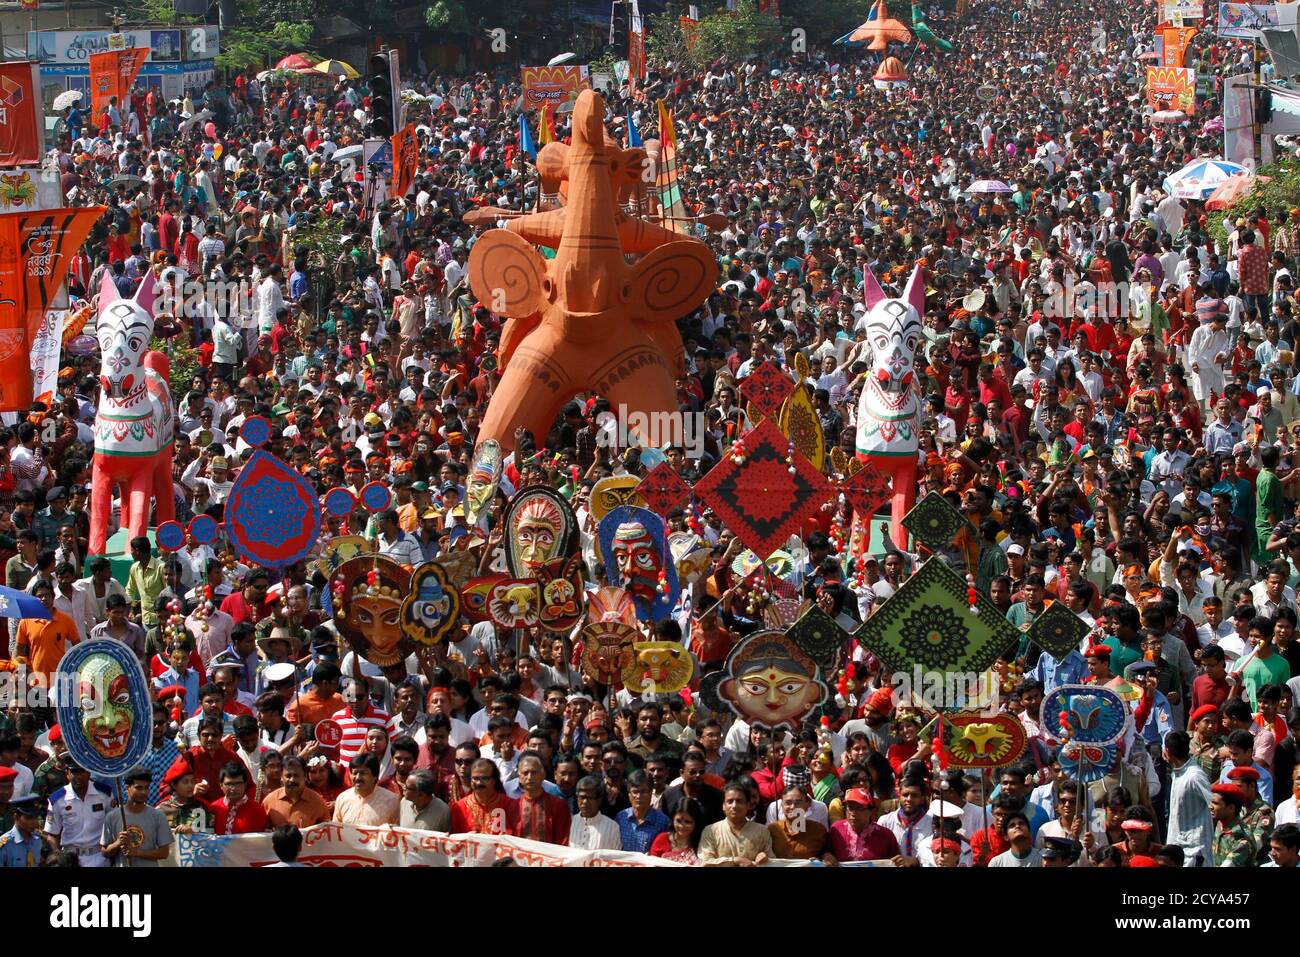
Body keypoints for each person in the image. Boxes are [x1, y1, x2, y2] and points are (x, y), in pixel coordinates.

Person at [101, 767, 172, 866]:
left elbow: (164, 853)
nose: (143, 792)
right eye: (138, 788)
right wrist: (117, 843)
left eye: (146, 787)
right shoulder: (112, 816)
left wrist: (137, 852)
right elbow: (105, 852)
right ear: (127, 788)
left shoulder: (158, 816)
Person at [698, 781, 771, 866]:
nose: (734, 806)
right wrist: (734, 860)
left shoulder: (762, 831)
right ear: (723, 806)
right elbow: (705, 862)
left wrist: (765, 858)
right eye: (730, 801)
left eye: (739, 801)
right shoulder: (710, 831)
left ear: (748, 805)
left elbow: (773, 862)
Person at [333, 753, 399, 825]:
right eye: (354, 773)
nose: (358, 777)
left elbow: (398, 832)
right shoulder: (342, 798)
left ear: (375, 776)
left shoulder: (392, 801)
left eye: (363, 773)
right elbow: (336, 830)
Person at [569, 776, 622, 850]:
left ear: (599, 800)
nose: (585, 802)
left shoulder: (612, 827)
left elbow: (615, 858)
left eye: (589, 798)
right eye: (582, 797)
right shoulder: (569, 822)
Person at [0, 796, 47, 867]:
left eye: (36, 817)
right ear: (16, 817)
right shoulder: (5, 844)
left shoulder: (37, 840)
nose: (35, 822)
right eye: (29, 818)